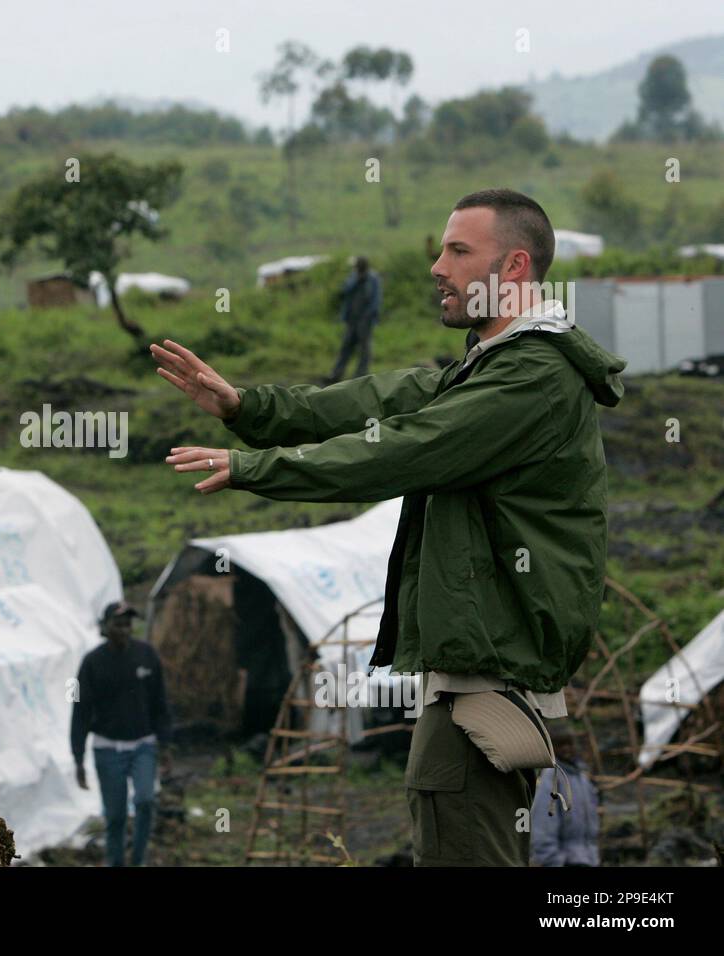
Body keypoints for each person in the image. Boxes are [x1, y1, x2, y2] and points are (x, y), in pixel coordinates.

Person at [151, 188, 628, 867]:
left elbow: (402, 449)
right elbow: (380, 401)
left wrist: (254, 465)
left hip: (484, 686)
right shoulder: (492, 366)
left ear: (515, 267)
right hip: (475, 680)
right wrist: (248, 408)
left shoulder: (531, 379)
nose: (438, 266)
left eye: (459, 250)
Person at [71, 601, 173, 867]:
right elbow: (80, 711)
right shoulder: (92, 663)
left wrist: (166, 747)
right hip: (107, 748)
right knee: (115, 816)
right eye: (118, 624)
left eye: (128, 624)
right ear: (105, 627)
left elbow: (160, 704)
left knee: (144, 800)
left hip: (143, 745)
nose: (125, 630)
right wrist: (78, 758)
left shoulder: (147, 655)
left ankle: (138, 859)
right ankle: (115, 862)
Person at [530, 732, 600, 866]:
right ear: (552, 748)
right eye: (560, 745)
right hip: (565, 862)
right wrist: (554, 861)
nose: (566, 748)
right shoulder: (551, 778)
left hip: (587, 860)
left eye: (569, 744)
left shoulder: (582, 777)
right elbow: (543, 826)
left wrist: (593, 857)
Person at [327, 256, 382, 383]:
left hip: (365, 320)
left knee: (364, 348)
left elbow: (376, 300)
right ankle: (336, 374)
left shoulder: (373, 278)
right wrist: (357, 280)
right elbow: (344, 291)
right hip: (352, 319)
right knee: (346, 347)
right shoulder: (353, 277)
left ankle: (361, 375)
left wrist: (369, 316)